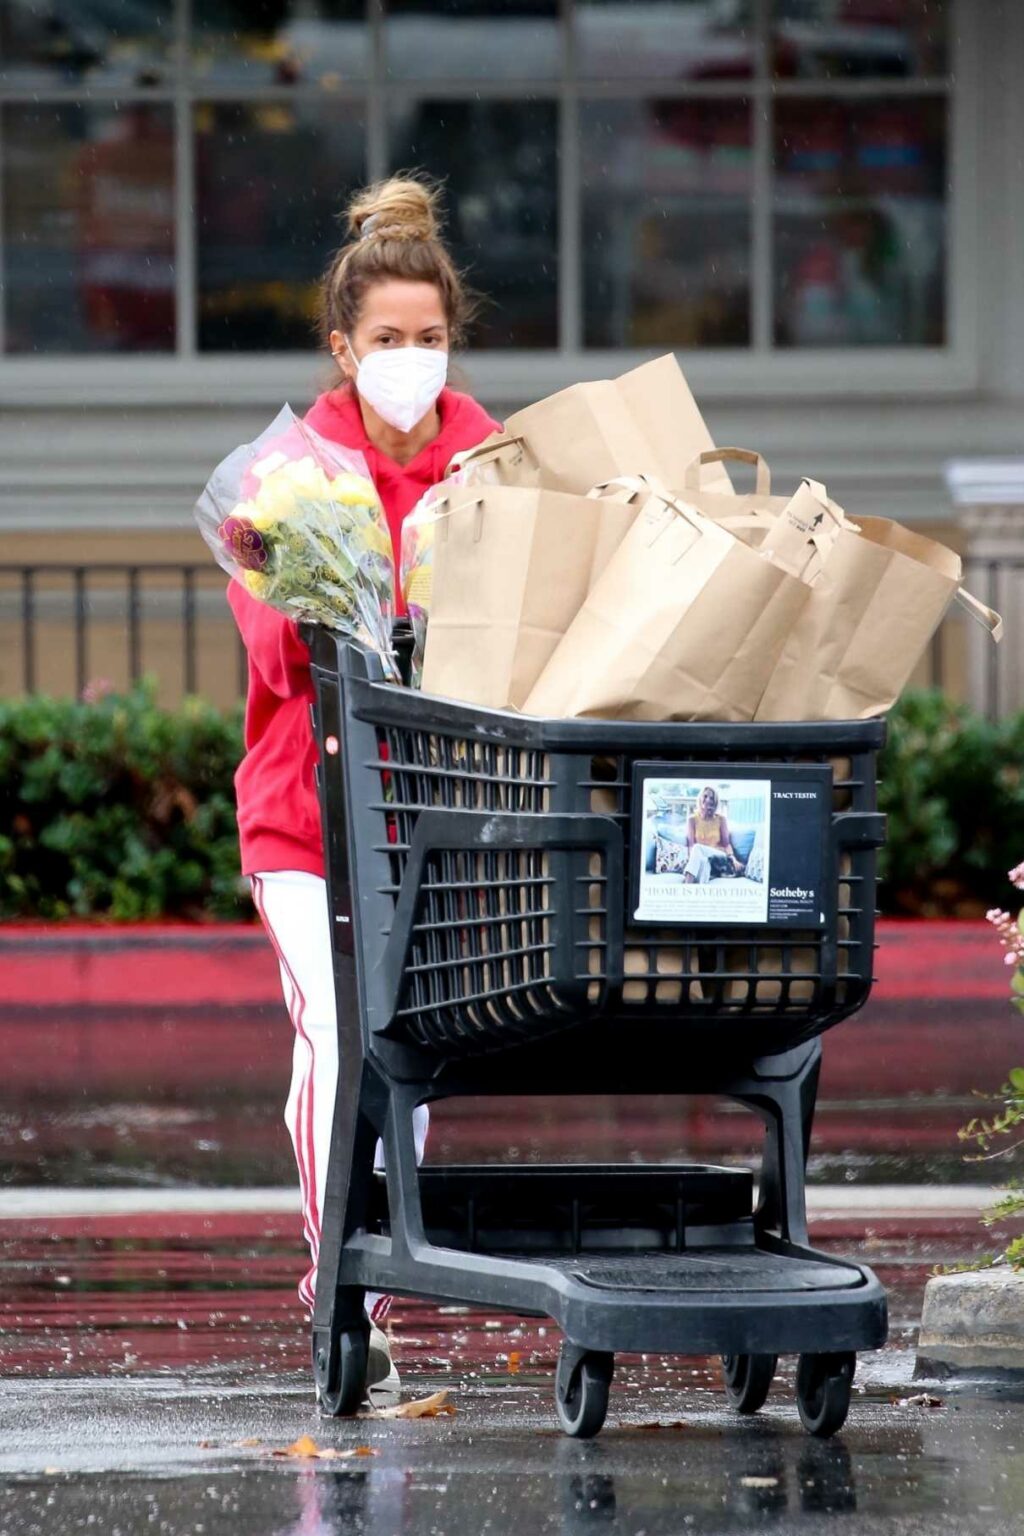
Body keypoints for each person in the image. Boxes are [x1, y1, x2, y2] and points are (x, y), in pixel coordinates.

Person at [226, 176, 501, 1395]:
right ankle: (340, 1276)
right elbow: (277, 653)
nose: (410, 359)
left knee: (410, 1051)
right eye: (386, 340)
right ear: (342, 348)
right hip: (306, 816)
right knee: (341, 1037)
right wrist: (349, 594)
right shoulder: (291, 476)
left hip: (430, 810)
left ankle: (372, 1270)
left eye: (428, 338)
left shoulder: (491, 459)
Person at [683, 786, 745, 885]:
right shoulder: (692, 820)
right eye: (705, 796)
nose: (707, 800)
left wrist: (733, 859)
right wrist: (693, 862)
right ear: (700, 798)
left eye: (711, 798)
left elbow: (726, 844)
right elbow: (690, 845)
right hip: (704, 857)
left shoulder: (721, 819)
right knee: (703, 862)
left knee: (697, 848)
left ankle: (686, 885)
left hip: (719, 856)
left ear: (715, 802)